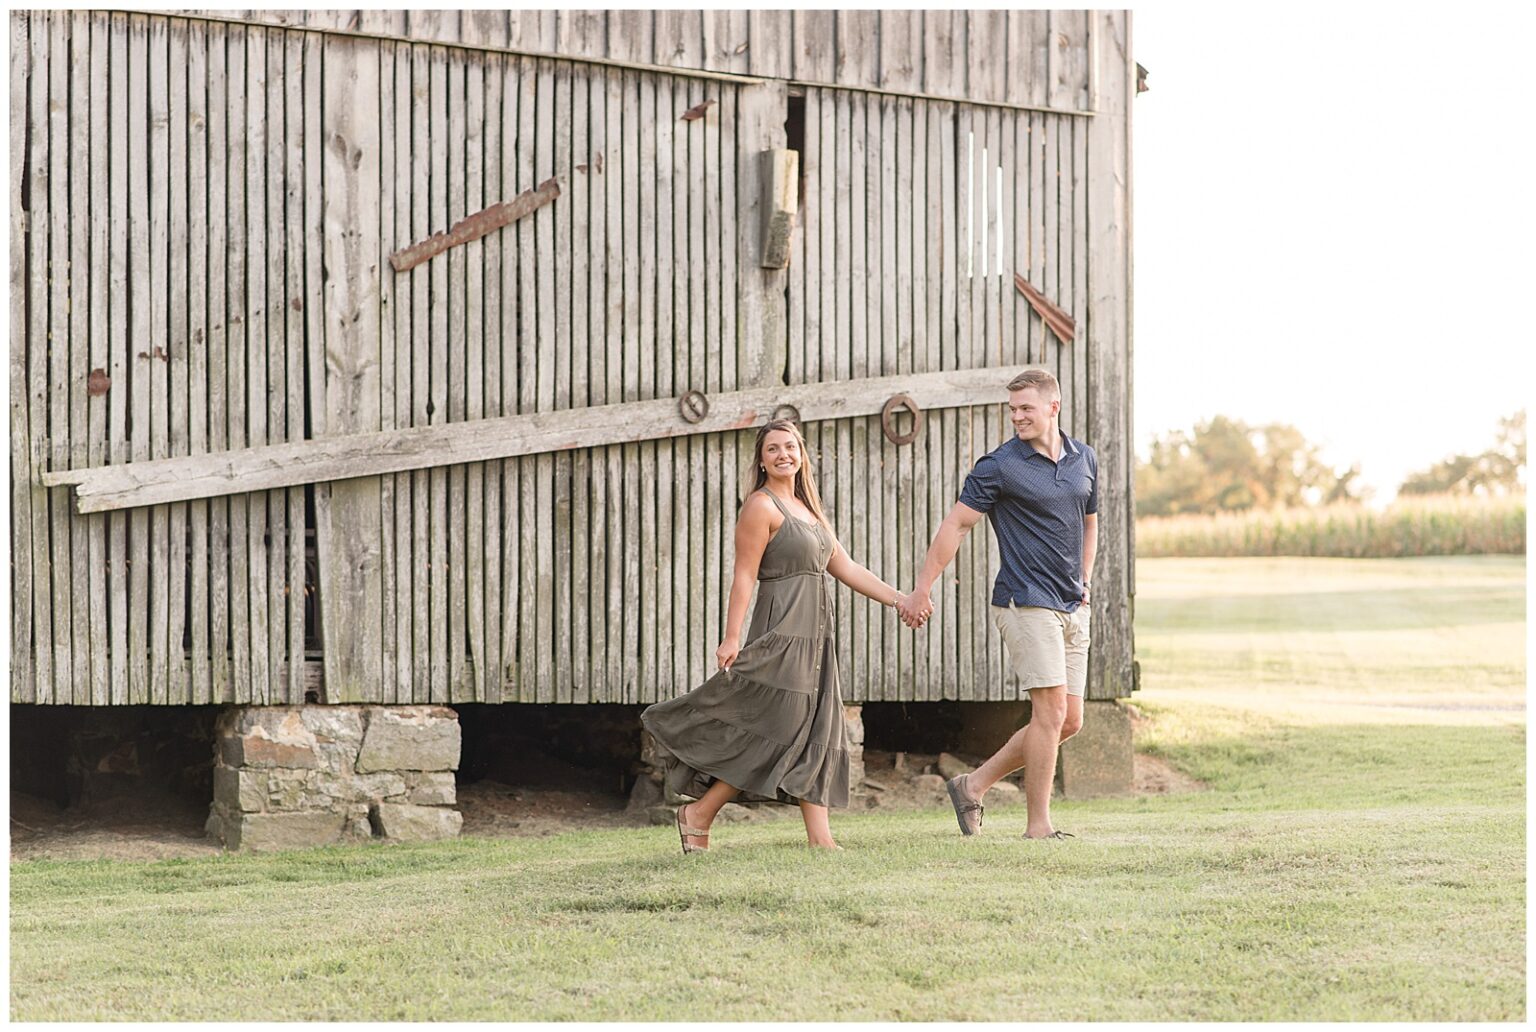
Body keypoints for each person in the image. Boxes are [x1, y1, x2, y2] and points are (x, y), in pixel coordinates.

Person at [641, 418, 919, 853]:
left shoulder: (810, 511)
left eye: (790, 447)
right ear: (762, 460)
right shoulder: (761, 506)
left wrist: (900, 599)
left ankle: (819, 838)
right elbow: (744, 576)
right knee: (777, 725)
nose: (783, 454)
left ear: (802, 454)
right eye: (773, 449)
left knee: (818, 726)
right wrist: (732, 637)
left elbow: (847, 568)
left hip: (816, 637)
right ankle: (699, 812)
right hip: (781, 629)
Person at [897, 368, 1097, 840]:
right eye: (1012, 410)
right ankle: (1038, 827)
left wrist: (1085, 579)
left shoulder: (1084, 457)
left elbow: (1090, 522)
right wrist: (923, 587)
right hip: (1024, 601)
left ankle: (972, 784)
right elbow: (955, 526)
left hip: (1073, 602)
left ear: (1054, 406)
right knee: (1048, 714)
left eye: (1026, 408)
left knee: (1069, 720)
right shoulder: (1000, 465)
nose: (1017, 418)